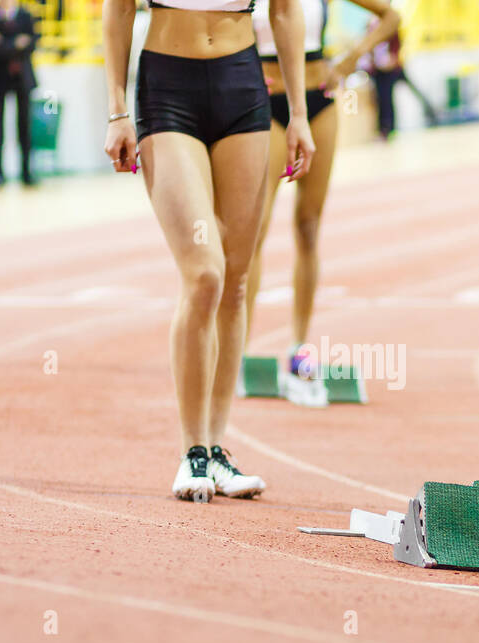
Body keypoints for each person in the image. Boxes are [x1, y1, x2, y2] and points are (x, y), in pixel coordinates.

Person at [101, 0, 315, 502]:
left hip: (242, 85)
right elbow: (119, 9)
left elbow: (284, 12)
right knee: (205, 275)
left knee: (235, 282)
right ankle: (192, 449)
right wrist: (116, 111)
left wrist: (299, 114)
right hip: (167, 88)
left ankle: (216, 449)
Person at [243, 0, 399, 407]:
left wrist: (346, 63)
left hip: (319, 98)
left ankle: (299, 346)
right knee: (255, 229)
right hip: (267, 102)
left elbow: (391, 17)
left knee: (308, 227)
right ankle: (239, 350)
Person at [0, 0, 39, 186]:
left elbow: (32, 42)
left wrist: (3, 43)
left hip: (21, 78)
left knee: (24, 125)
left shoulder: (25, 16)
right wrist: (15, 44)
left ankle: (26, 170)